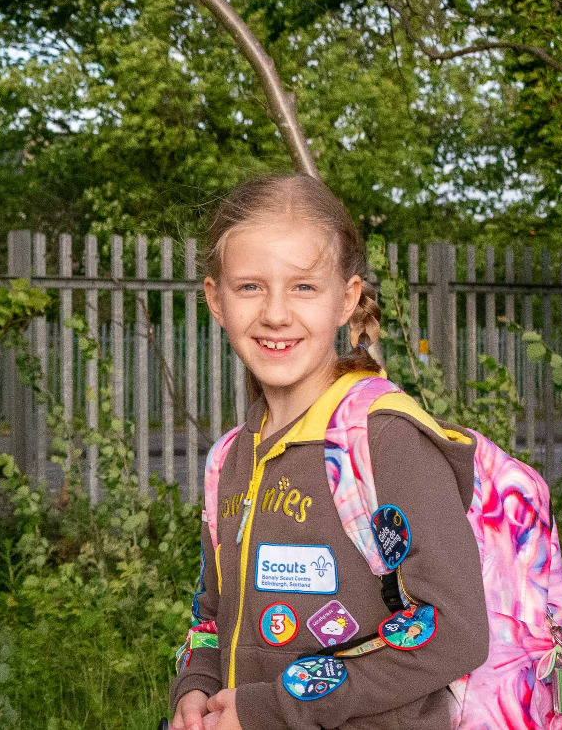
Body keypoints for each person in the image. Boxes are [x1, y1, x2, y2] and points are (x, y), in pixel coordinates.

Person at [169, 175, 488, 730]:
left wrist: (276, 708)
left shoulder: (383, 440)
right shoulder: (229, 460)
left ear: (347, 300)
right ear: (215, 300)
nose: (275, 314)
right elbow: (212, 613)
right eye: (250, 287)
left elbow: (454, 629)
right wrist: (196, 685)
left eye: (303, 288)